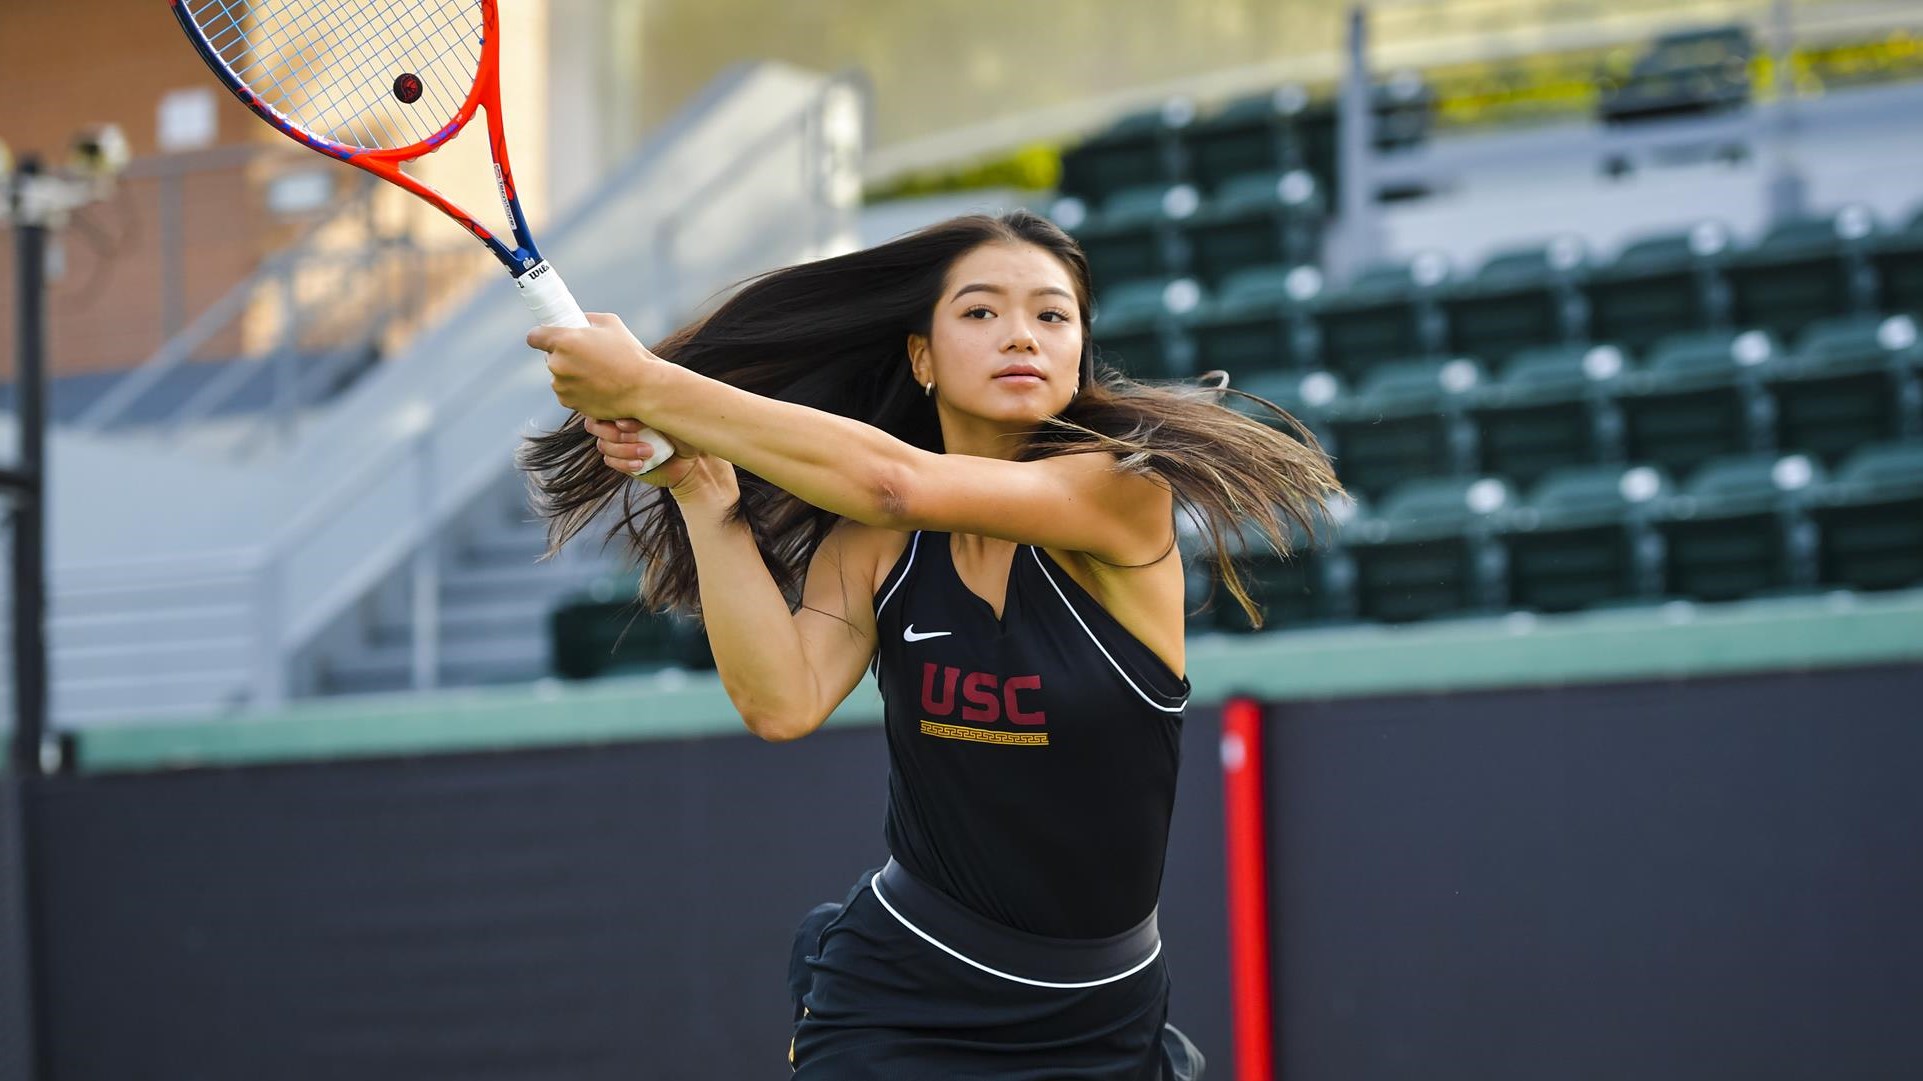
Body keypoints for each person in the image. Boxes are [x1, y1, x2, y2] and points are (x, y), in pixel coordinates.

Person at [522, 211, 1342, 1079]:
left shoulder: (1118, 497)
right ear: (921, 356)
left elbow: (892, 481)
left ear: (1078, 354)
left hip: (1101, 1017)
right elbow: (782, 701)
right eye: (981, 313)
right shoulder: (873, 541)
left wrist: (647, 383)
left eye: (1052, 316)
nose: (1020, 335)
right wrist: (698, 490)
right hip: (901, 986)